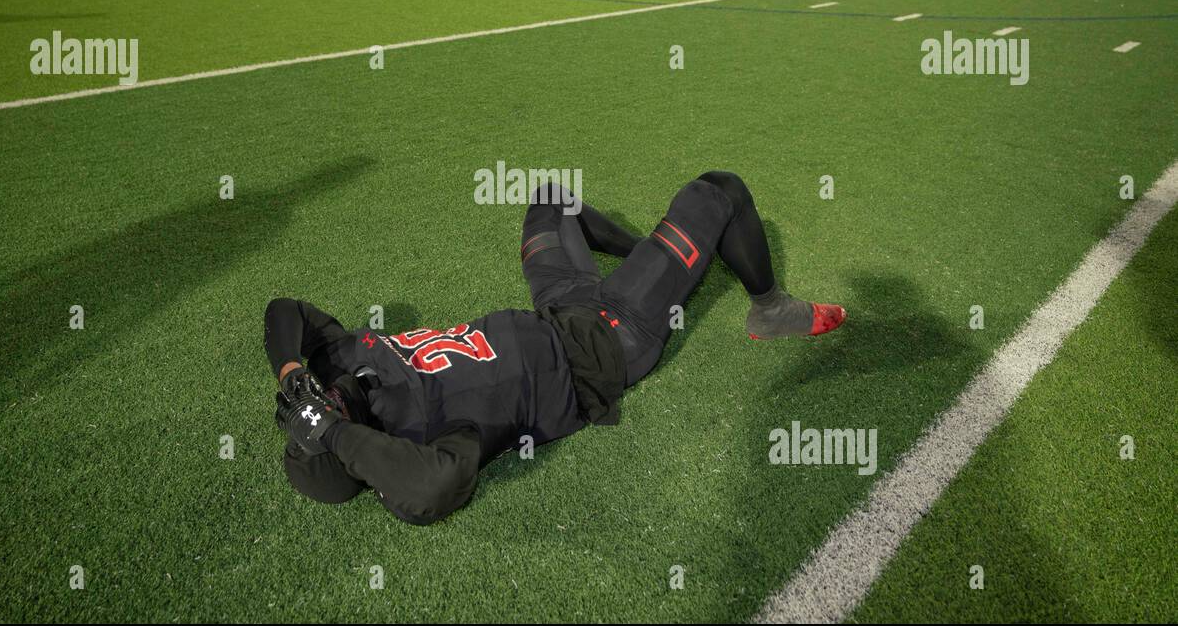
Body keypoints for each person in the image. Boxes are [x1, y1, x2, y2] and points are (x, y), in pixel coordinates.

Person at [266, 171, 846, 525]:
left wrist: (293, 375)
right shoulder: (415, 440)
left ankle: (660, 257)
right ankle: (770, 308)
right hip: (607, 339)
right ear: (354, 449)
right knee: (717, 190)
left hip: (558, 304)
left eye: (318, 409)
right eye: (328, 424)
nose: (328, 403)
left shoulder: (339, 365)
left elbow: (283, 310)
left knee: (550, 198)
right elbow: (430, 489)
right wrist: (336, 435)